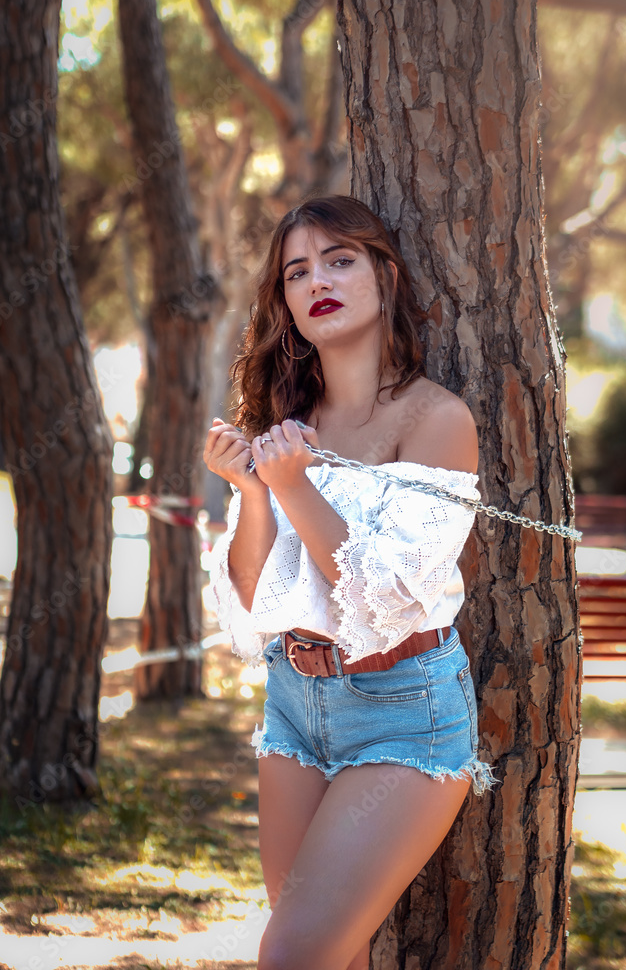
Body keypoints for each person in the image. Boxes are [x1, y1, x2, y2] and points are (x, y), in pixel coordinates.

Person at [203, 195, 497, 970]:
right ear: (284, 302)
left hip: (404, 712)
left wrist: (296, 486)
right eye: (296, 271)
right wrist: (256, 490)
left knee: (293, 953)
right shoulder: (285, 415)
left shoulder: (435, 419)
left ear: (384, 274)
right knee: (330, 956)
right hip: (294, 706)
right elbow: (251, 590)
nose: (316, 281)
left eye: (340, 260)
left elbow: (387, 599)